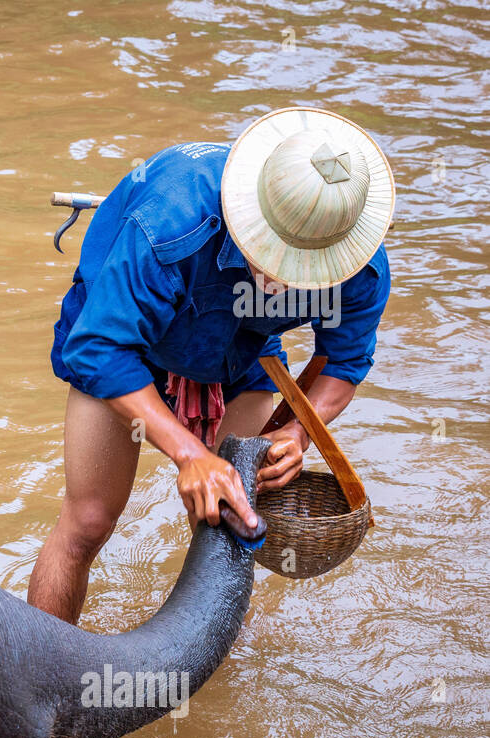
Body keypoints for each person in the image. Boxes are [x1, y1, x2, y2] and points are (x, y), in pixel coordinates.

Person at [28, 107, 395, 624]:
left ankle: (213, 692)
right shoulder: (171, 223)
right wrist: (187, 453)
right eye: (271, 258)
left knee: (226, 523)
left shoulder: (360, 265)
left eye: (304, 269)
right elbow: (101, 350)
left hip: (242, 355)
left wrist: (296, 435)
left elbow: (343, 359)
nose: (282, 282)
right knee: (88, 520)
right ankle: (40, 680)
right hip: (132, 349)